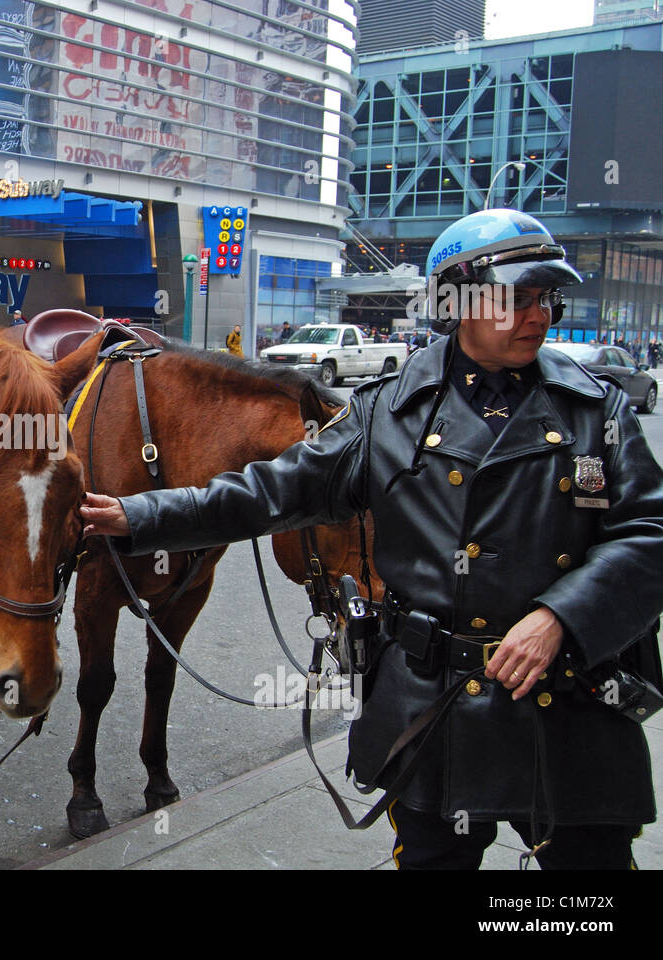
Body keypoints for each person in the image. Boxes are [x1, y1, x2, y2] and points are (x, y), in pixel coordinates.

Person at [81, 208, 663, 869]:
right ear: (458, 303)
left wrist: (562, 617)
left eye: (545, 299)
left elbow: (649, 533)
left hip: (567, 714)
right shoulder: (388, 411)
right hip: (434, 711)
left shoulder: (597, 410)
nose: (540, 317)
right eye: (518, 299)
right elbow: (270, 493)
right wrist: (145, 516)